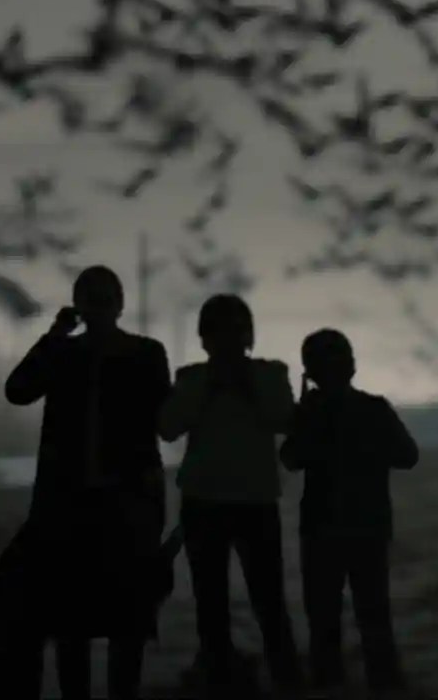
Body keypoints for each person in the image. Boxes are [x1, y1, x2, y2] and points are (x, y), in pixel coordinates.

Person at [0, 265, 171, 700]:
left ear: (120, 306)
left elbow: (164, 418)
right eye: (92, 300)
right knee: (71, 621)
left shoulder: (145, 354)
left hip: (122, 505)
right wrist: (54, 336)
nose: (99, 310)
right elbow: (18, 389)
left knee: (124, 618)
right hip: (69, 507)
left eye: (105, 300)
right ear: (80, 306)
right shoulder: (65, 353)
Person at [158, 293, 303, 700]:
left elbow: (284, 419)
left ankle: (278, 672)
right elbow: (168, 427)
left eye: (233, 333)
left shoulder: (268, 375)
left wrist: (240, 387)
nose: (226, 342)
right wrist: (209, 388)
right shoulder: (195, 379)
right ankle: (228, 670)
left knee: (264, 598)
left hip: (240, 501)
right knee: (216, 602)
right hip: (221, 502)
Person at [280, 328, 419, 700]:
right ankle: (384, 681)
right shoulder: (374, 408)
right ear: (352, 366)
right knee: (373, 612)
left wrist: (307, 416)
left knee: (323, 615)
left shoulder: (312, 412)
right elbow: (408, 456)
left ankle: (328, 680)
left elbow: (290, 459)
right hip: (368, 526)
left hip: (321, 528)